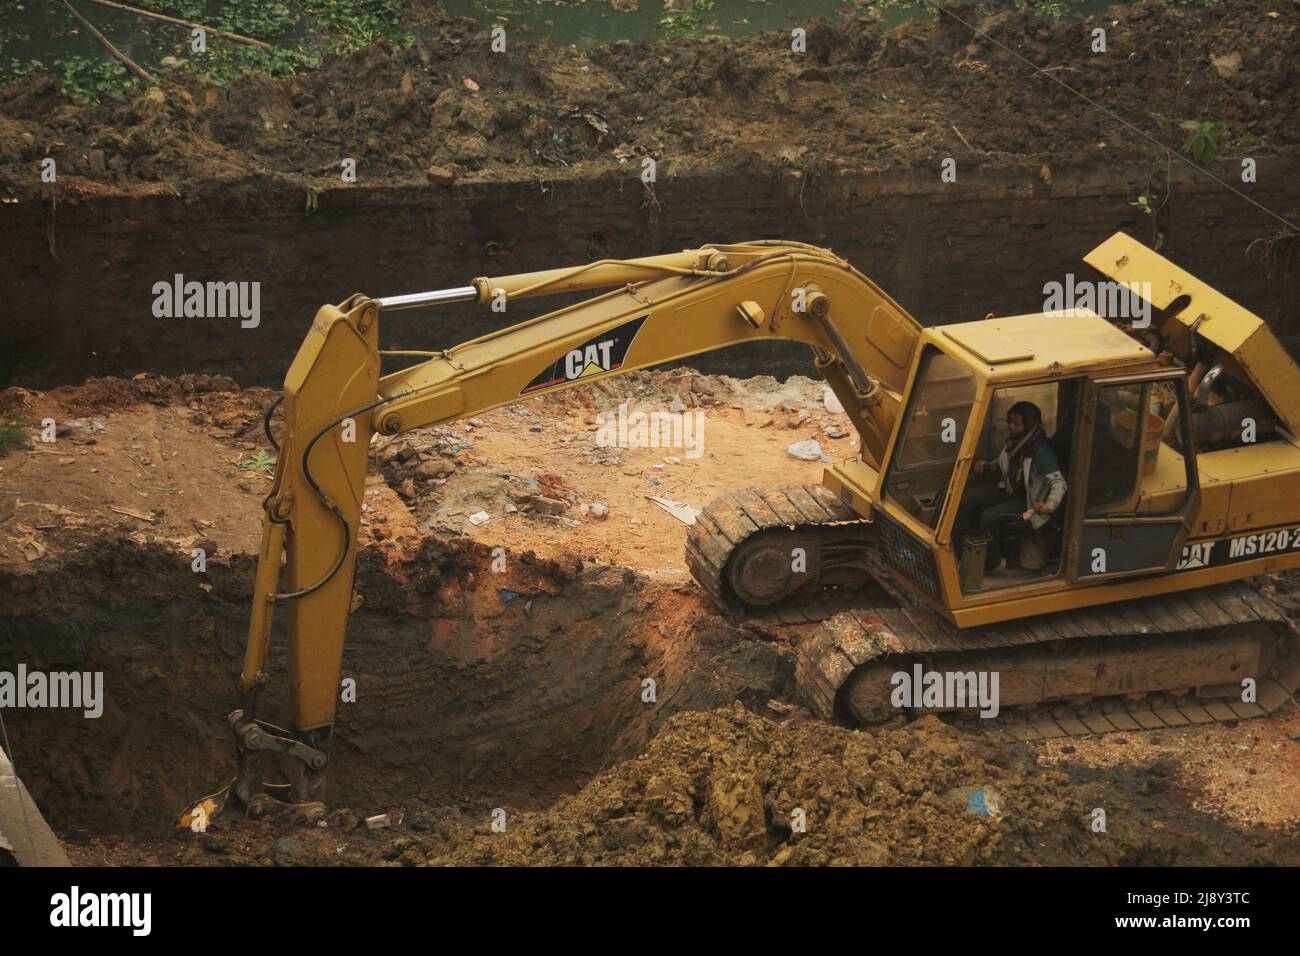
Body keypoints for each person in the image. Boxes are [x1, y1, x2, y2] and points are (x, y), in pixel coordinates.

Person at [956, 401, 1068, 573]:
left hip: (1027, 502)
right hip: (1008, 491)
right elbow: (1004, 462)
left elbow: (1059, 483)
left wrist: (1049, 505)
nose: (1011, 427)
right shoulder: (1015, 443)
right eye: (1010, 422)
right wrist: (987, 467)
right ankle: (960, 550)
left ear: (1029, 425)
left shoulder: (1041, 451)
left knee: (988, 517)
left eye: (1016, 424)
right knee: (965, 499)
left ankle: (994, 562)